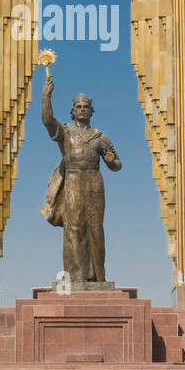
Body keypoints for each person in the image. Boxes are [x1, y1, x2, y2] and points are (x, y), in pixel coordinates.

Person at [38, 76, 121, 285]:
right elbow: (48, 121)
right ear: (73, 111)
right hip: (73, 180)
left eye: (86, 107)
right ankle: (75, 278)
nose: (82, 109)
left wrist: (112, 161)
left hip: (94, 182)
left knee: (95, 228)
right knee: (73, 229)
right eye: (78, 106)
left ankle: (97, 276)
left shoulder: (100, 137)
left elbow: (117, 164)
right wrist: (45, 96)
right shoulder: (65, 132)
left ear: (91, 112)